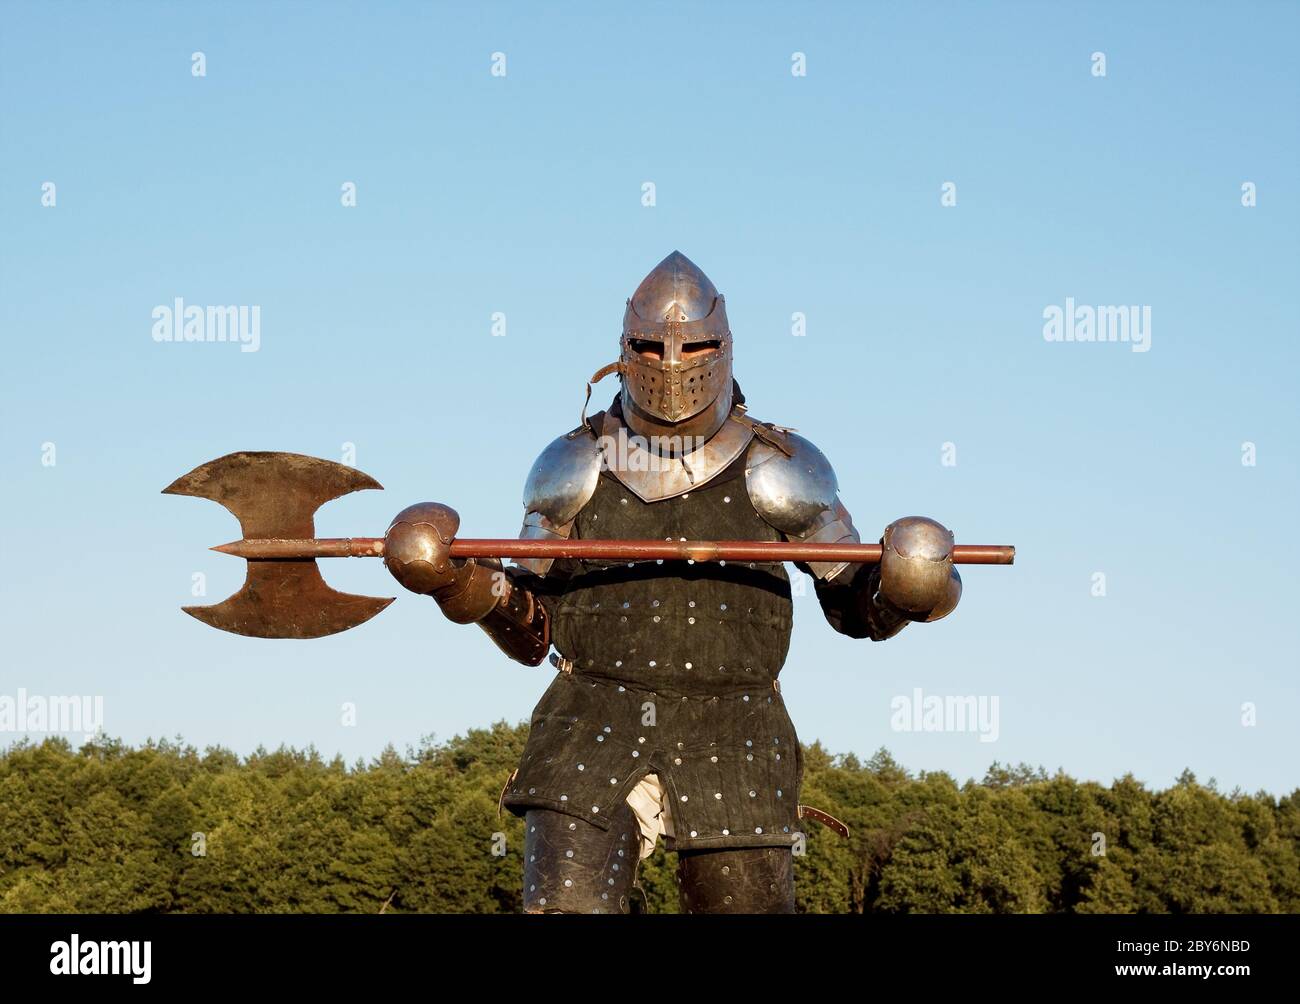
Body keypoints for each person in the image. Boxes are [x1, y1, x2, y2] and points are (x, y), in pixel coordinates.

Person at [382, 251, 961, 913]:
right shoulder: (574, 464)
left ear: (726, 349)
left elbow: (853, 609)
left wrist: (905, 589)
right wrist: (461, 583)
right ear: (625, 351)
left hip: (736, 729)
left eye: (696, 346)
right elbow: (532, 633)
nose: (673, 364)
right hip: (592, 721)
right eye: (651, 348)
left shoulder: (783, 469)